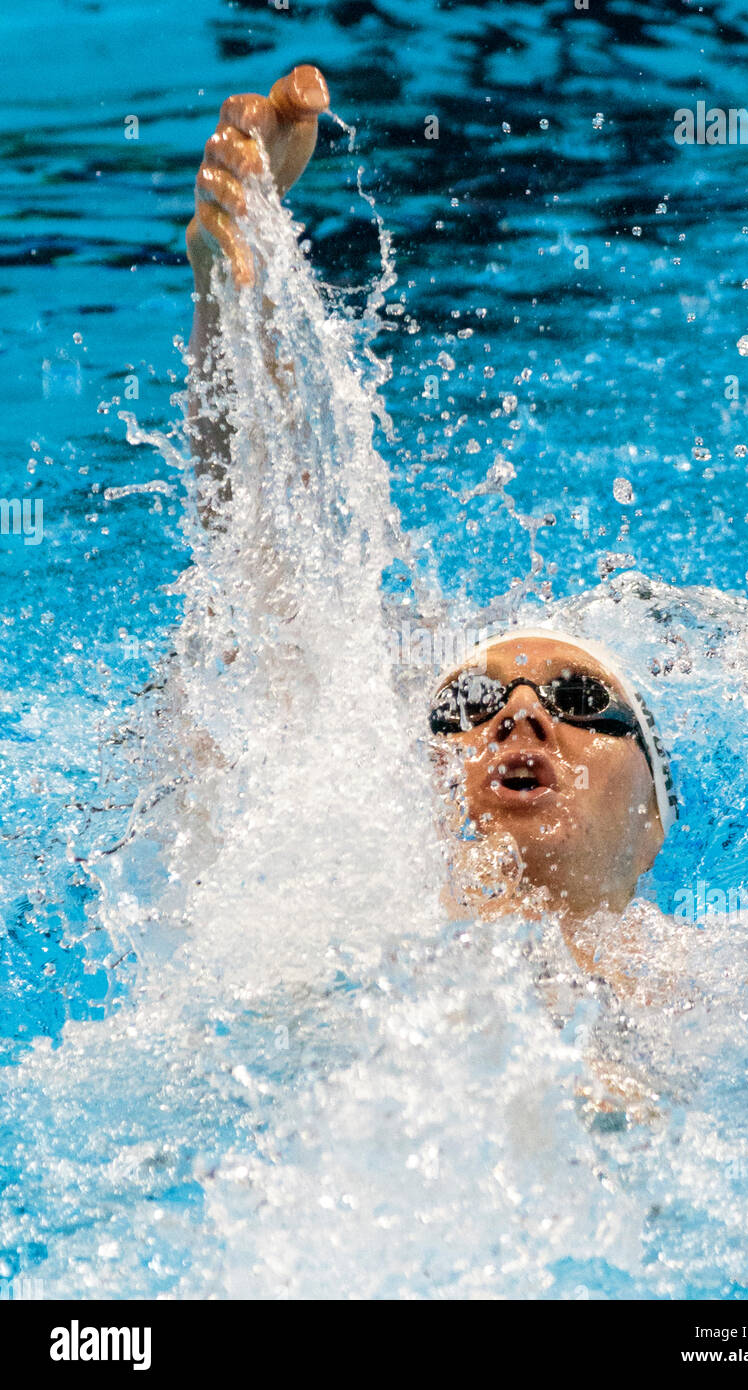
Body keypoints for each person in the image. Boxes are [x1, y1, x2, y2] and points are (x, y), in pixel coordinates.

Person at [183, 65, 678, 1003]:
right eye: (465, 708)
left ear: (656, 817)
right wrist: (228, 292)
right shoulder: (336, 943)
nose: (517, 718)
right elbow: (249, 567)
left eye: (580, 699)